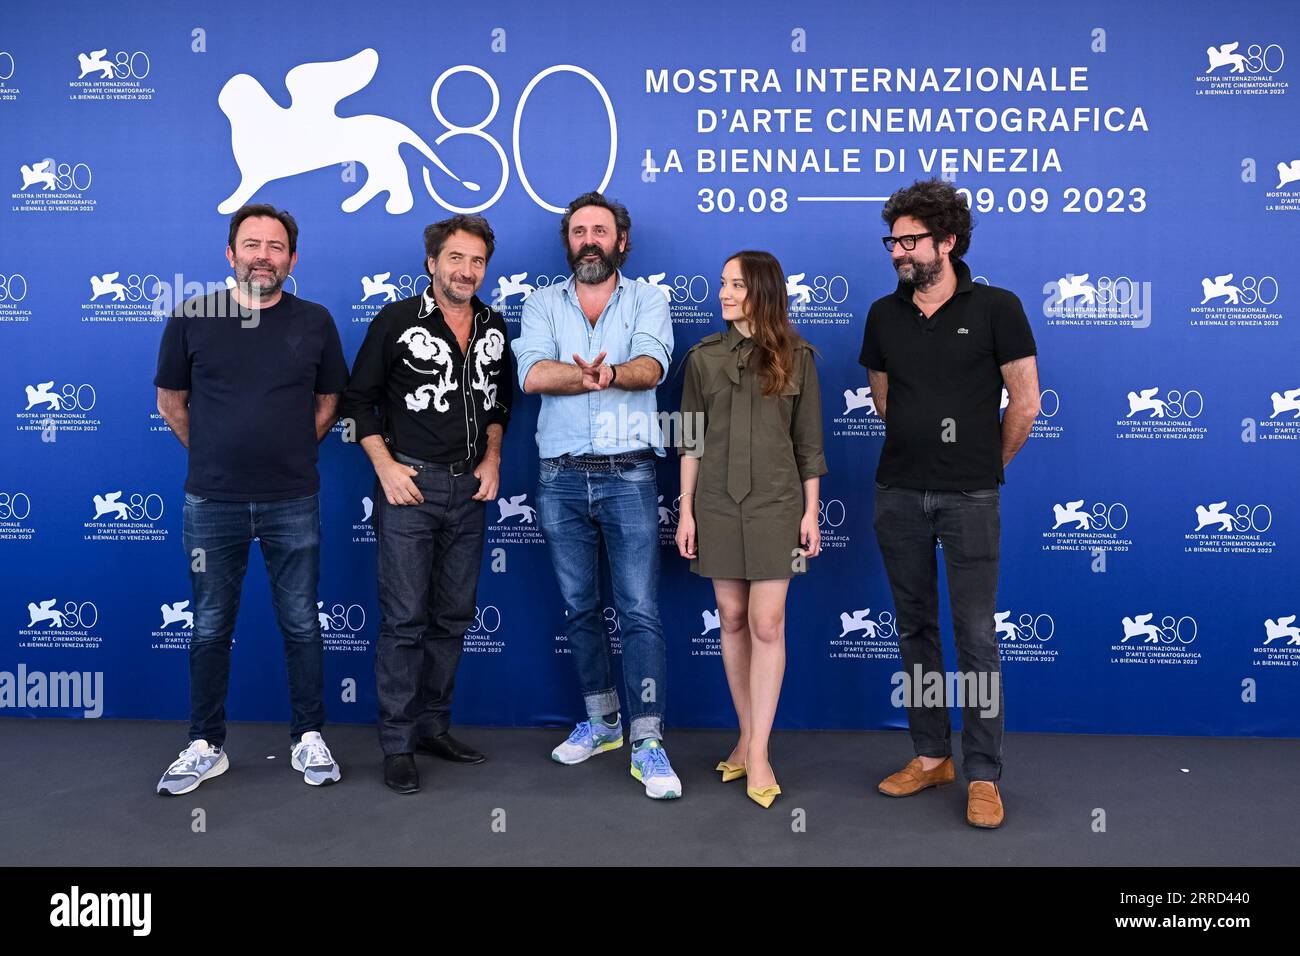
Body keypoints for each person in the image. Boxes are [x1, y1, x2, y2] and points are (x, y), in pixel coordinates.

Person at [859, 178, 1040, 828]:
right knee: (914, 630)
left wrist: (984, 467)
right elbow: (884, 403)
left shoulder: (998, 307)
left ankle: (983, 773)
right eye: (893, 240)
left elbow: (1026, 403)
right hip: (898, 494)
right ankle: (931, 755)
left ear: (948, 241)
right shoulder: (884, 315)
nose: (898, 251)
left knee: (976, 635)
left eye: (910, 240)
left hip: (971, 497)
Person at [154, 203, 349, 795]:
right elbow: (171, 403)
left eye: (275, 246)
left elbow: (326, 406)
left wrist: (284, 451)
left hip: (293, 499)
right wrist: (216, 455)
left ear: (292, 258)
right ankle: (205, 743)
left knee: (301, 623)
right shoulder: (191, 317)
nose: (263, 255)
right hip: (212, 504)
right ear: (230, 253)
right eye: (252, 244)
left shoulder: (314, 321)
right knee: (210, 625)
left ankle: (308, 736)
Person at [511, 191, 681, 799]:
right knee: (580, 608)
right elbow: (531, 374)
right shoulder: (539, 304)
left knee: (638, 611)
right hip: (559, 477)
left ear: (621, 242)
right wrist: (587, 375)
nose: (589, 239)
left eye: (600, 230)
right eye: (579, 230)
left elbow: (652, 367)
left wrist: (606, 373)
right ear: (569, 242)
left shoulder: (649, 299)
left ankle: (648, 740)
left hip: (630, 473)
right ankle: (604, 722)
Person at [340, 215, 513, 795]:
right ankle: (396, 743)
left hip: (470, 492)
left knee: (452, 618)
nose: (467, 271)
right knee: (405, 619)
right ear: (432, 263)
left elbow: (499, 405)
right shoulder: (394, 320)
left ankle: (433, 727)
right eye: (456, 258)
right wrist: (386, 468)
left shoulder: (494, 325)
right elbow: (358, 402)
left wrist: (491, 460)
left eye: (477, 261)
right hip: (410, 489)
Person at [675, 250, 826, 809]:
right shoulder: (701, 359)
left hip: (777, 505)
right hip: (715, 503)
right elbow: (690, 441)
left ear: (762, 290)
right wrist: (686, 509)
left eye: (735, 285)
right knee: (732, 618)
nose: (724, 294)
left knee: (767, 622)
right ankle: (746, 736)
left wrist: (811, 512)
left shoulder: (800, 357)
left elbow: (809, 445)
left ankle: (758, 751)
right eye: (722, 284)